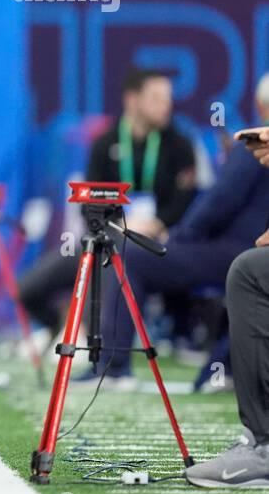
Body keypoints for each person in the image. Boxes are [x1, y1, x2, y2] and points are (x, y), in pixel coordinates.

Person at [88, 79, 269, 390]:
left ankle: (113, 365)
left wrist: (178, 238)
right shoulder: (110, 142)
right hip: (246, 250)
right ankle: (213, 358)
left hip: (239, 251)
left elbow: (217, 205)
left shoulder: (253, 143)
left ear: (260, 106)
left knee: (131, 255)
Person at [18, 68, 196, 335]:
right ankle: (59, 325)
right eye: (157, 98)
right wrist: (121, 226)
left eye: (168, 98)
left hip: (157, 241)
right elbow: (87, 203)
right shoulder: (105, 144)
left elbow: (186, 203)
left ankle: (96, 340)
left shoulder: (181, 146)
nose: (166, 105)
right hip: (108, 235)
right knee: (27, 289)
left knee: (108, 260)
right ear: (132, 100)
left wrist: (158, 223)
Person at [184, 112, 269, 488]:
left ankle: (265, 445)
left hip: (216, 247)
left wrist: (172, 239)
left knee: (249, 273)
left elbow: (212, 210)